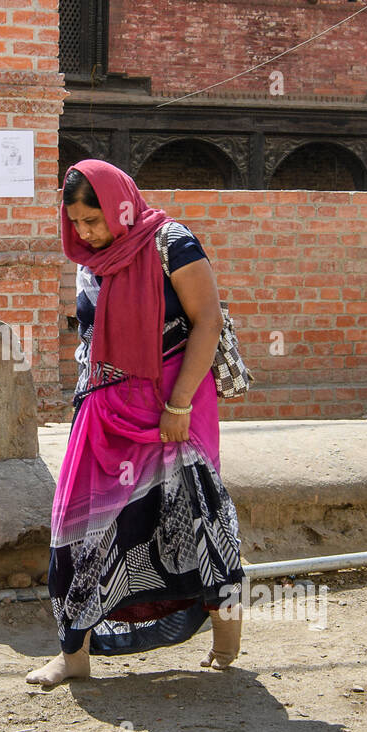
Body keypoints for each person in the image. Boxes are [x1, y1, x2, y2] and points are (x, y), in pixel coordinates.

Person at [27, 160, 245, 687]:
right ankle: (74, 654)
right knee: (75, 523)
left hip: (174, 404)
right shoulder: (90, 260)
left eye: (93, 222)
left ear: (121, 206)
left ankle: (226, 637)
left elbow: (207, 321)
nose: (84, 233)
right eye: (75, 223)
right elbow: (90, 340)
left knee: (193, 516)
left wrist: (179, 405)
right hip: (105, 407)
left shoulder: (171, 242)